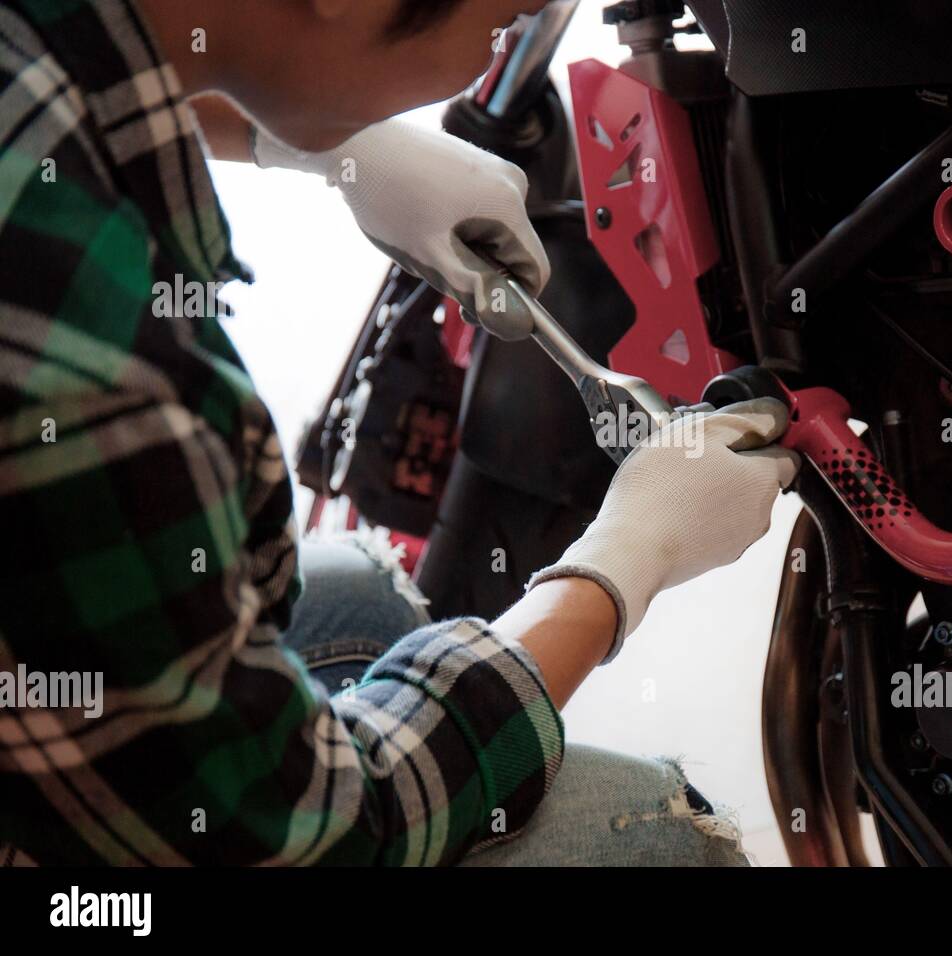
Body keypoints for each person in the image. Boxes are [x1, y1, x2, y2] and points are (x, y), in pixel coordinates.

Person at [0, 0, 799, 866]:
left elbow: (110, 83)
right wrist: (620, 565)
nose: (498, 41)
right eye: (501, 22)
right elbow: (319, 832)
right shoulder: (88, 367)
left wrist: (335, 148)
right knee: (657, 830)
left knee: (350, 593)